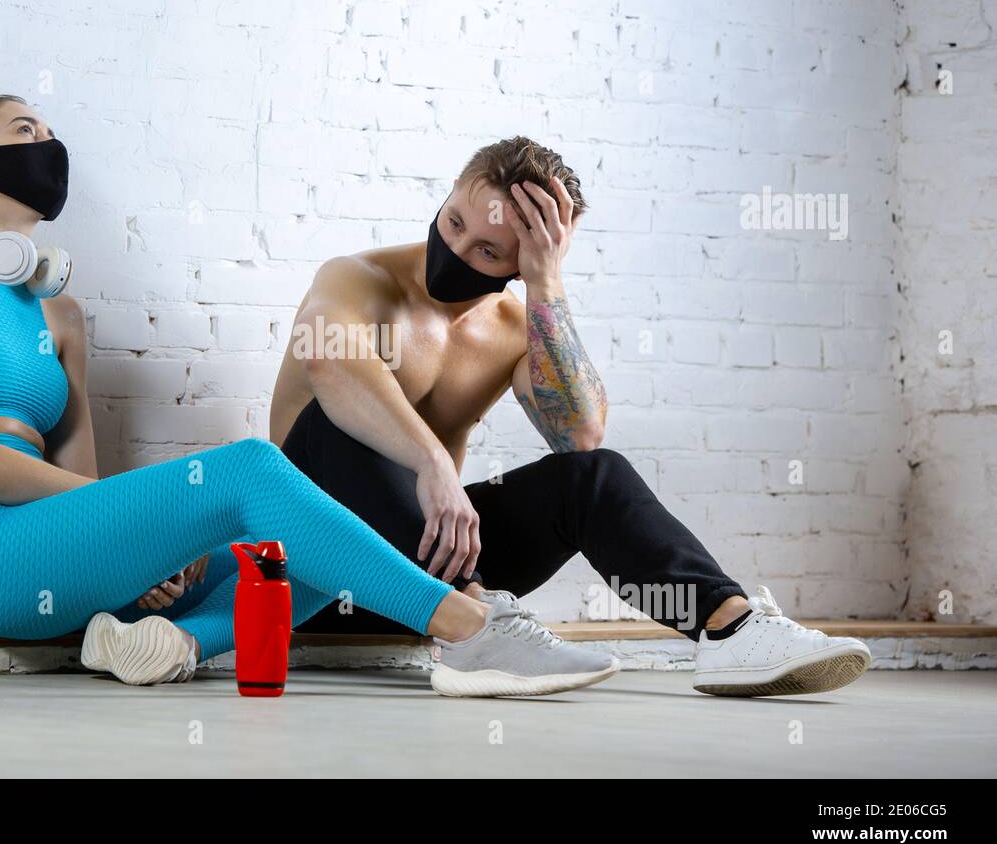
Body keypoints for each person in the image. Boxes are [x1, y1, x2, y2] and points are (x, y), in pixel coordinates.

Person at [0, 96, 621, 698]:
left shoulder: (59, 313)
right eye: (25, 129)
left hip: (59, 561)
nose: (47, 147)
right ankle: (468, 627)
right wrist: (158, 530)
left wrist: (144, 547)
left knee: (305, 531)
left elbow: (89, 491)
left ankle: (161, 643)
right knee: (256, 469)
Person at [269, 135, 872, 698]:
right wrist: (431, 461)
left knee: (595, 475)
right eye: (454, 221)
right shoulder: (357, 278)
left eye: (486, 250)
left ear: (519, 260)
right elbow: (328, 362)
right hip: (317, 576)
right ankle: (478, 626)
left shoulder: (511, 327)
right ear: (450, 192)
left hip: (432, 568)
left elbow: (579, 434)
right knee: (331, 421)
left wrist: (546, 285)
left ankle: (732, 631)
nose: (454, 250)